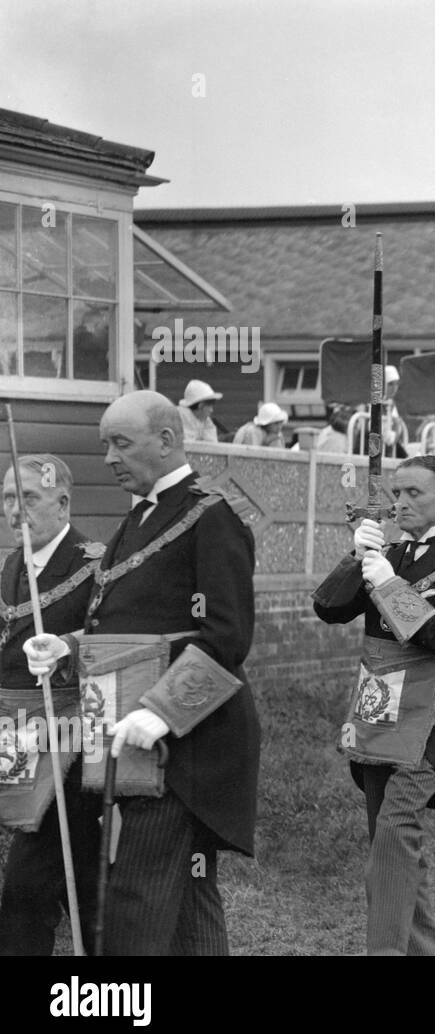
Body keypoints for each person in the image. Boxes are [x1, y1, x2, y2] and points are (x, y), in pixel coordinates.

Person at [23, 390, 259, 955]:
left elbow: (227, 637)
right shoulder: (139, 518)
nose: (108, 457)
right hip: (136, 742)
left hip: (186, 748)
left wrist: (161, 712)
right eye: (104, 444)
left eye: (121, 443)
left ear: (167, 440)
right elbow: (127, 625)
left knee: (134, 898)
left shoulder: (211, 515)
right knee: (190, 901)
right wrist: (68, 644)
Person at [313, 455, 435, 955]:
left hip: (432, 722)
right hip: (378, 713)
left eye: (414, 492)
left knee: (392, 841)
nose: (402, 502)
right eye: (398, 493)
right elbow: (327, 608)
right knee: (394, 851)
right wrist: (356, 556)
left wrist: (388, 582)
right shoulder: (386, 551)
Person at [0, 454, 102, 954]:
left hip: (73, 738)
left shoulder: (95, 562)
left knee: (25, 884)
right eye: (7, 498)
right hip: (17, 736)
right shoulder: (13, 562)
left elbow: (121, 635)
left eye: (29, 498)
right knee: (83, 872)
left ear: (62, 503)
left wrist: (70, 645)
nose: (16, 510)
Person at [177, 379, 221, 443]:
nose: (212, 410)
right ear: (201, 405)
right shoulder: (179, 416)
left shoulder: (205, 420)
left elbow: (212, 444)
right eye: (210, 406)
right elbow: (188, 446)